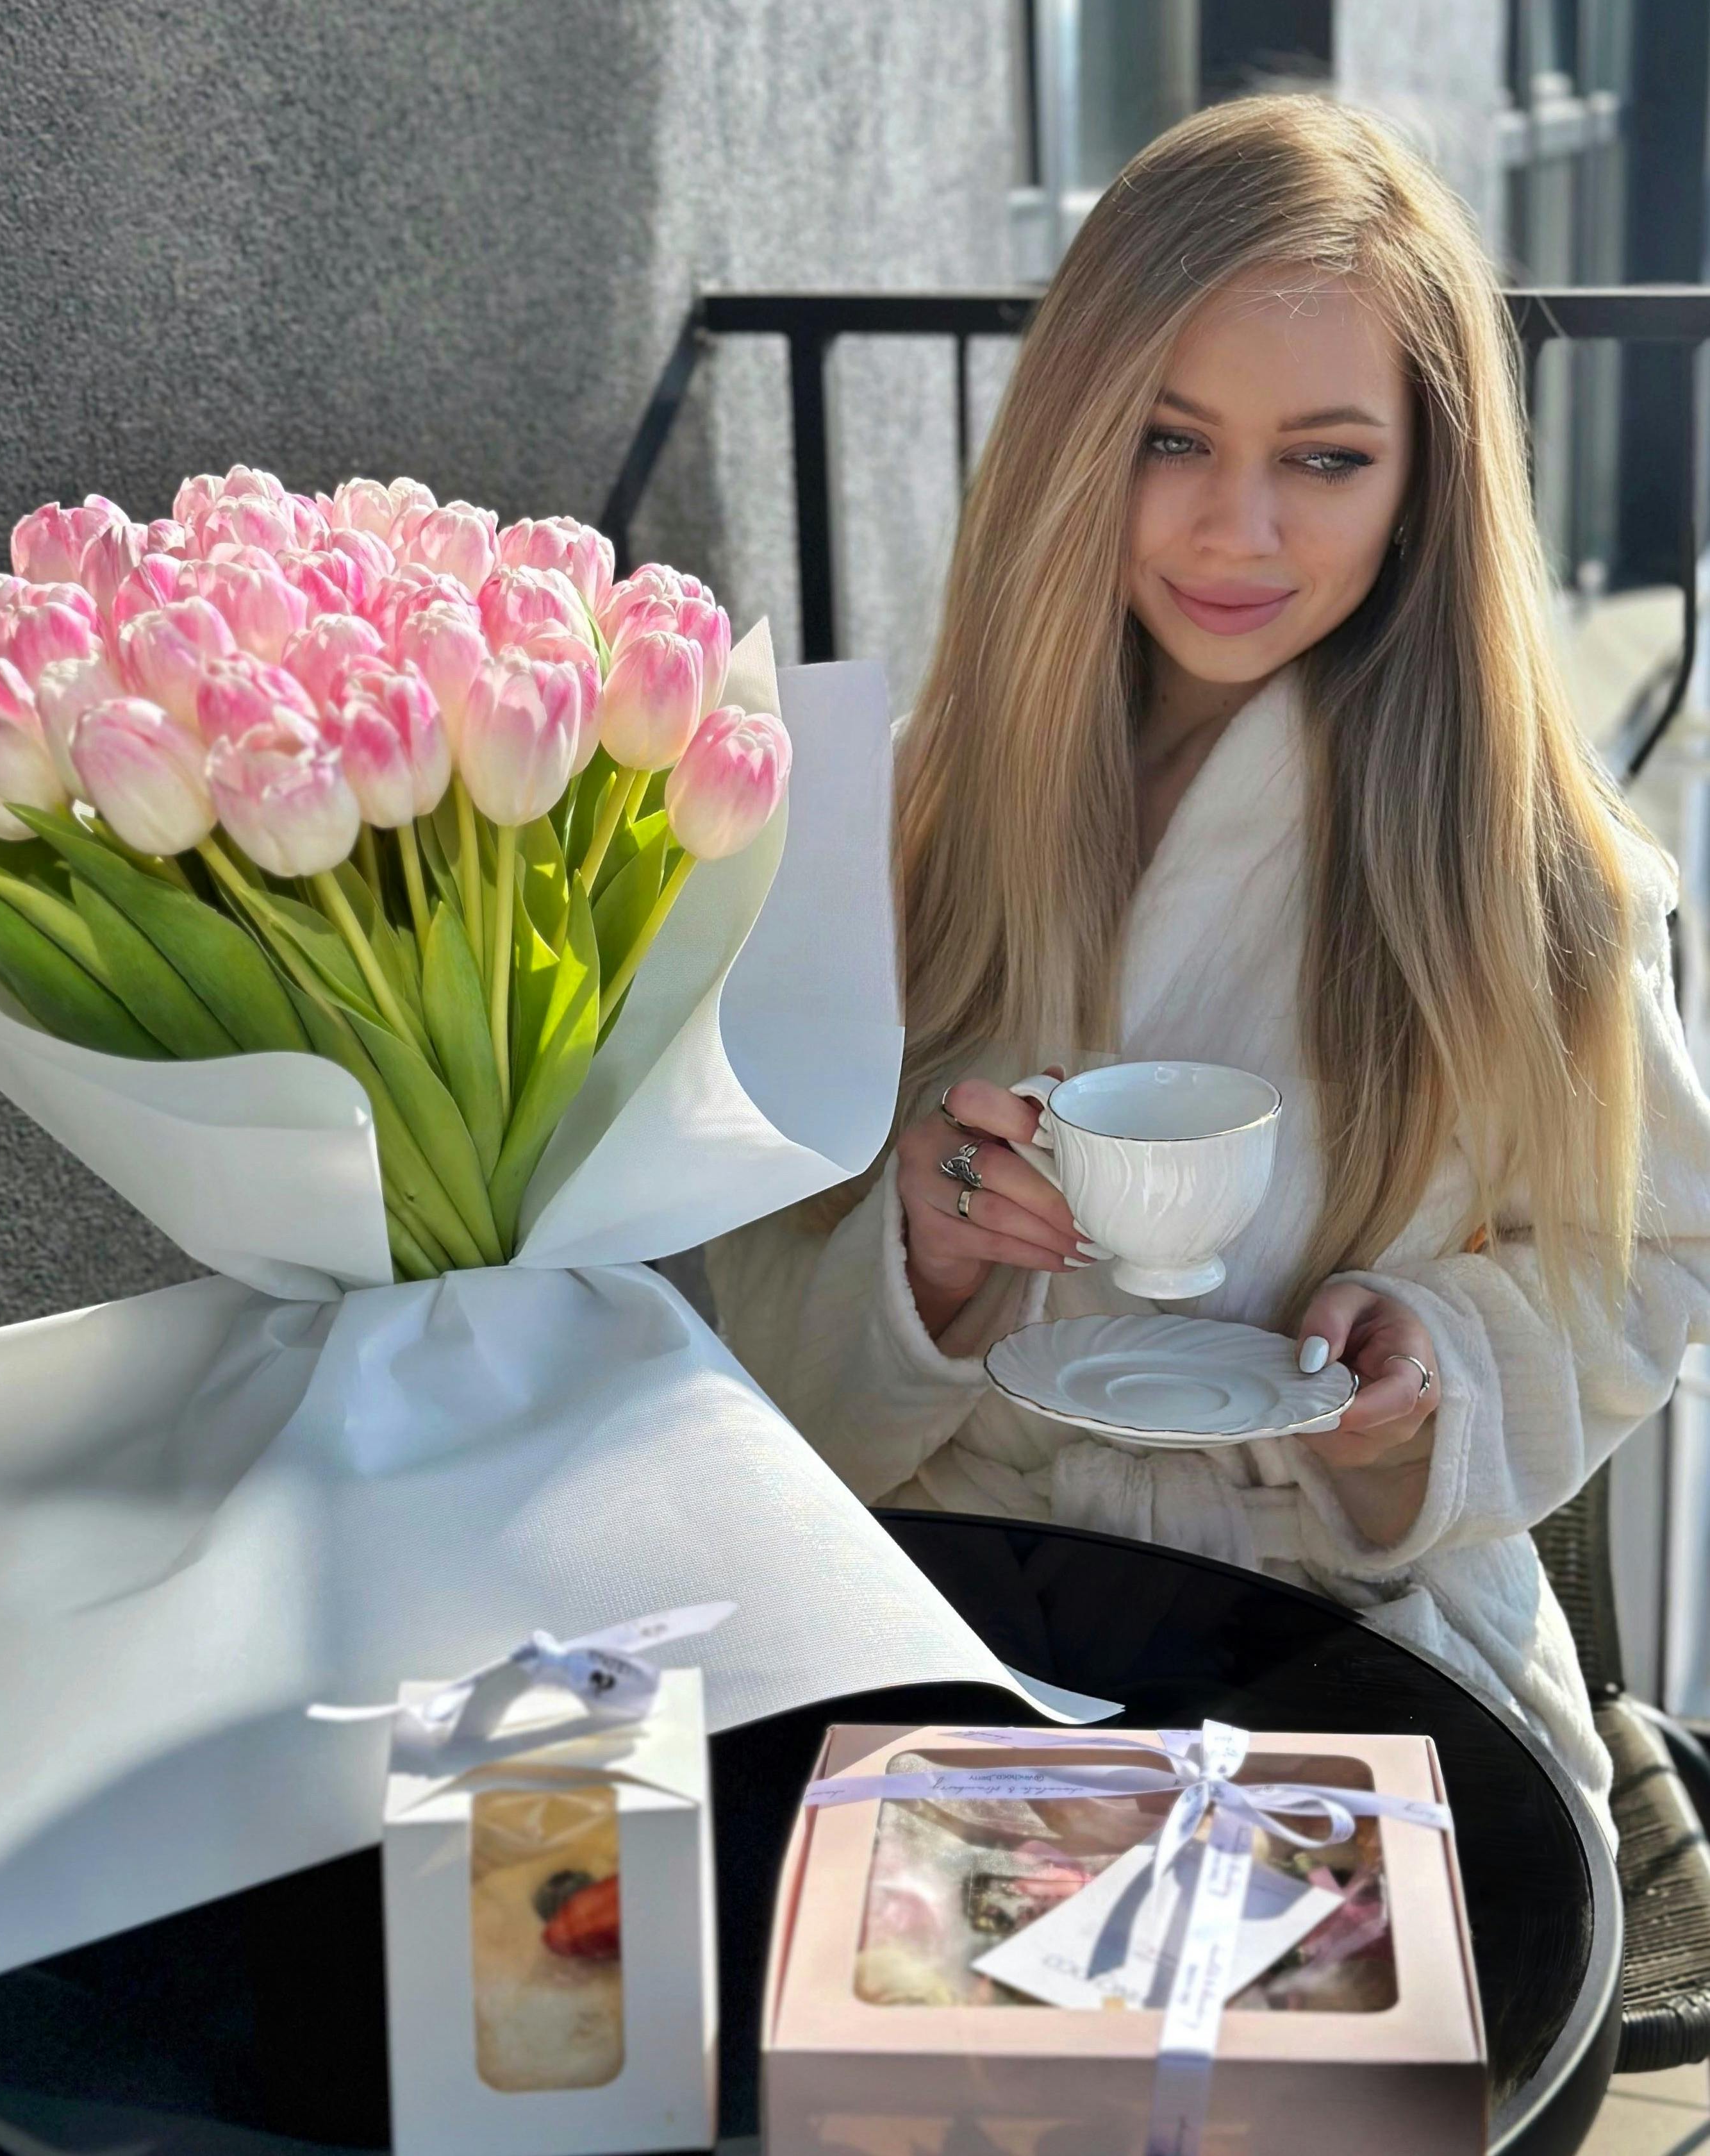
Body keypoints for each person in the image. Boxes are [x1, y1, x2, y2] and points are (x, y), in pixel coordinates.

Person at [704, 93, 1710, 1832]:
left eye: (1327, 457)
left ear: (1424, 482)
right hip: (936, 1619)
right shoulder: (890, 820)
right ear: (1077, 431)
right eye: (1171, 440)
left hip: (1341, 1657)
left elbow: (1647, 1254)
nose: (1239, 531)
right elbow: (743, 1306)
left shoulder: (1528, 875)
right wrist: (922, 1264)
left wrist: (1432, 1377)